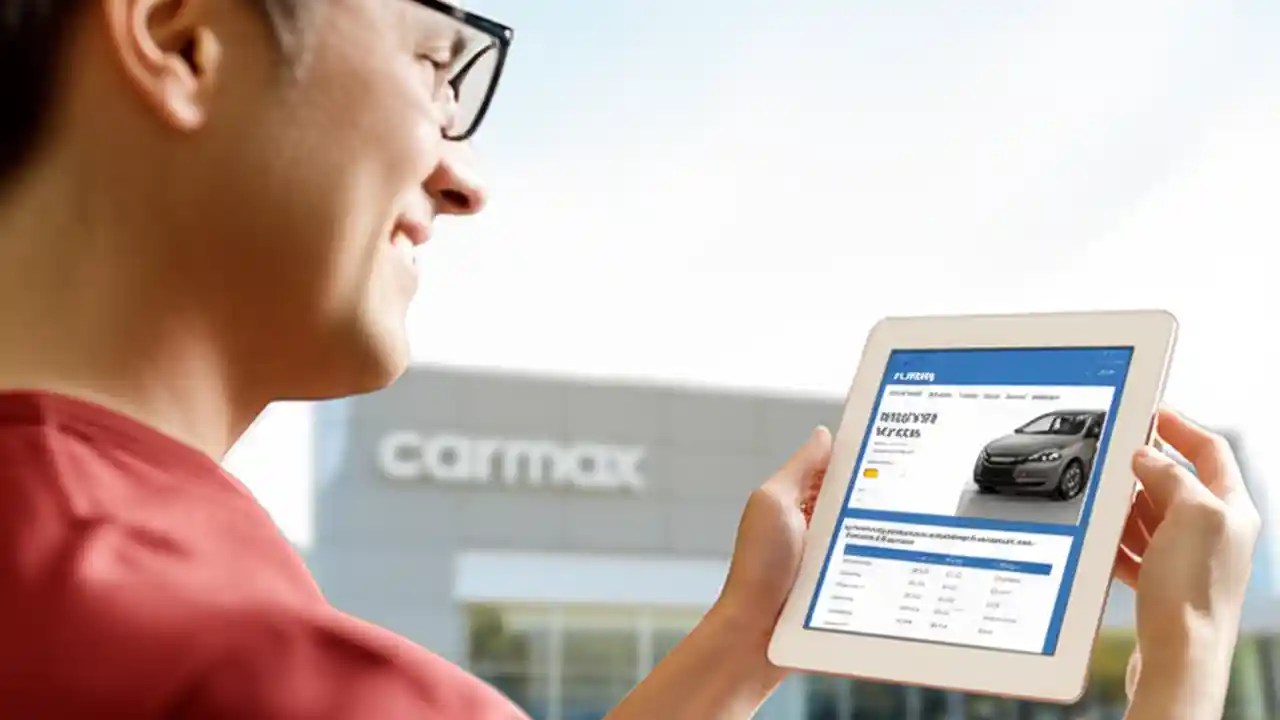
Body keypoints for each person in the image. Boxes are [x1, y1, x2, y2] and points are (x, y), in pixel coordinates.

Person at [0, 1, 1261, 718]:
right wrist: (1183, 664)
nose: (463, 175)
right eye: (436, 65)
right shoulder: (270, 680)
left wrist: (740, 641)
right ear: (179, 37)